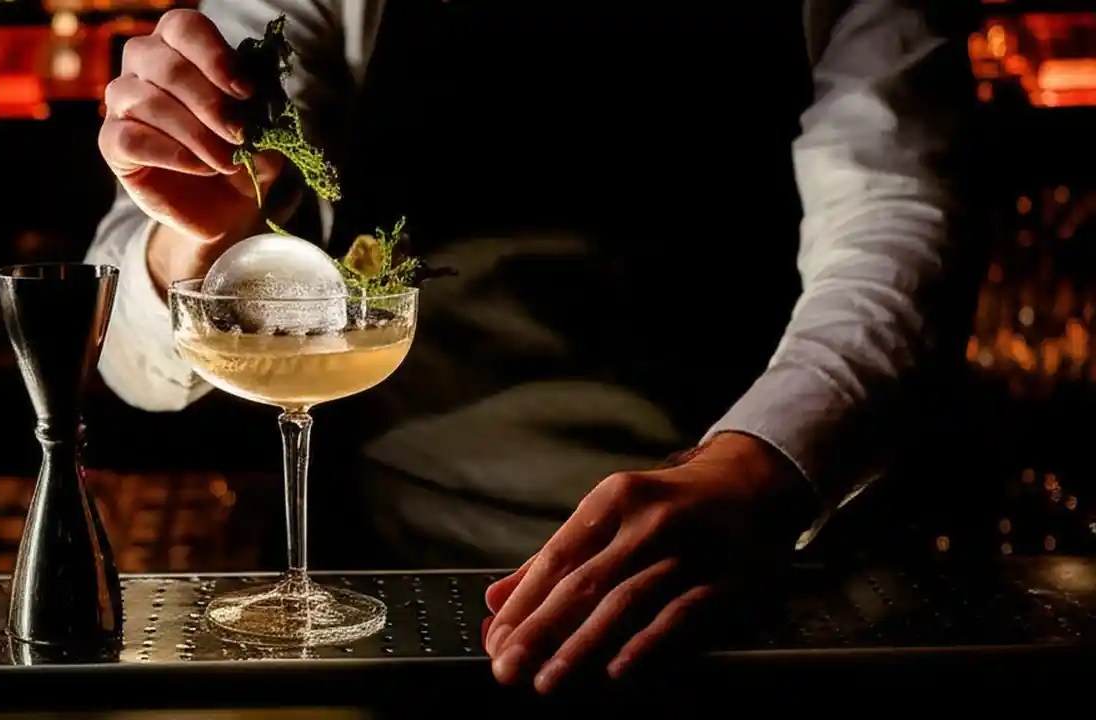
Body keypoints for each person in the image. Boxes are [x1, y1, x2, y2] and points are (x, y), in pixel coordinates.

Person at [87, 0, 977, 694]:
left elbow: (899, 221)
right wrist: (198, 235)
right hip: (397, 593)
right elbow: (131, 353)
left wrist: (755, 474)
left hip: (752, 583)